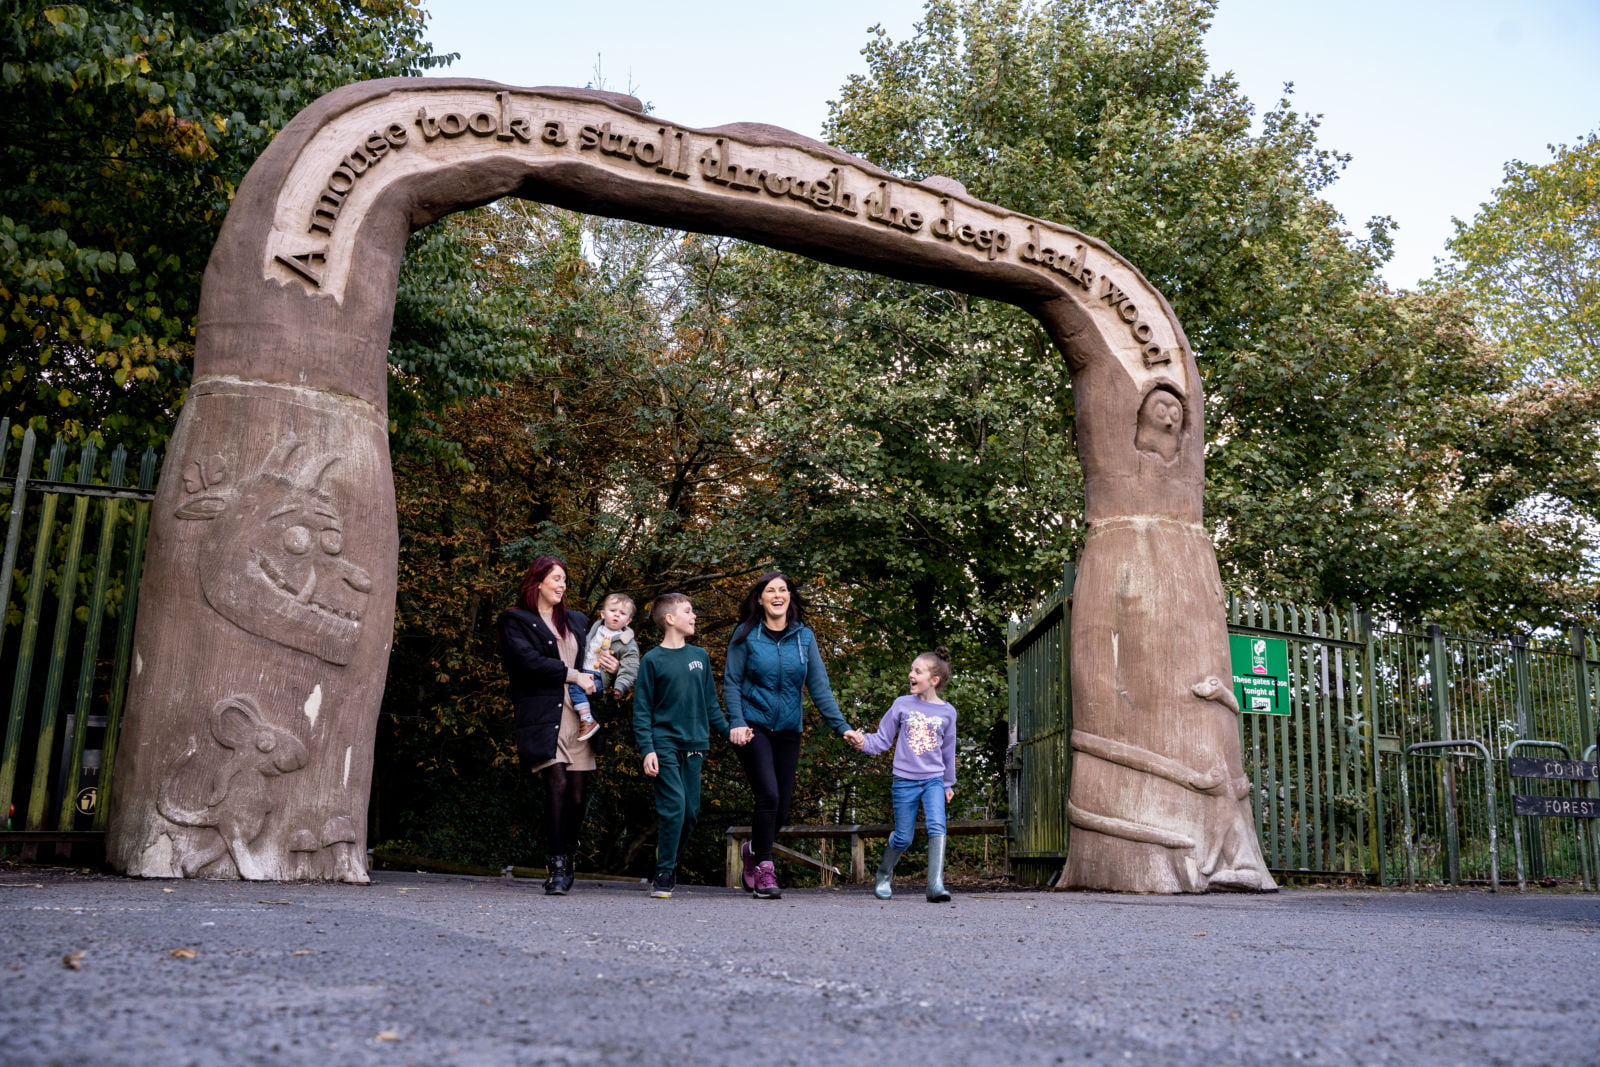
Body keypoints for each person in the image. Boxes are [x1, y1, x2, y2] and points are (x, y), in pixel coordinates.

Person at [723, 571, 865, 899]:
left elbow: (819, 686)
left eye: (782, 590)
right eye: (770, 590)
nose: (777, 595)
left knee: (782, 810)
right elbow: (731, 681)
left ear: (789, 597)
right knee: (768, 796)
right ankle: (765, 870)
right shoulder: (745, 635)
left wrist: (841, 726)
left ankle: (752, 851)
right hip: (753, 727)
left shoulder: (804, 638)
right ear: (759, 599)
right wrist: (737, 722)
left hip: (788, 730)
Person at [496, 556, 618, 895]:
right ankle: (557, 864)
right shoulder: (515, 620)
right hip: (544, 716)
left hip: (579, 716)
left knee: (578, 797)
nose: (562, 585)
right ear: (537, 582)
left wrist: (605, 670)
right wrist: (573, 674)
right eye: (556, 579)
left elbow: (591, 664)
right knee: (557, 784)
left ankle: (569, 851)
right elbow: (526, 663)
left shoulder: (577, 621)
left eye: (565, 579)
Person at [633, 593, 741, 898]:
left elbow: (711, 706)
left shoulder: (700, 656)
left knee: (691, 812)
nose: (694, 616)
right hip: (664, 744)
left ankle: (669, 863)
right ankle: (664, 872)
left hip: (695, 744)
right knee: (675, 808)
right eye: (688, 611)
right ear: (670, 619)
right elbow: (642, 711)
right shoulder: (652, 660)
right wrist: (647, 749)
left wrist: (732, 733)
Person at [851, 648, 958, 902]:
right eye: (911, 670)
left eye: (917, 671)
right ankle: (884, 874)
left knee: (937, 826)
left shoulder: (947, 712)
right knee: (903, 837)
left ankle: (934, 885)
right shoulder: (901, 704)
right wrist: (861, 742)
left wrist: (947, 783)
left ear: (934, 680)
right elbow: (882, 739)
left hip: (933, 779)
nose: (911, 674)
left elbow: (948, 751)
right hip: (904, 780)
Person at [569, 593, 642, 741]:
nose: (616, 615)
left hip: (599, 678)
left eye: (622, 613)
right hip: (583, 671)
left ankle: (588, 720)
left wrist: (620, 686)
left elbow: (630, 668)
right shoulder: (594, 630)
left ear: (628, 620)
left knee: (575, 688)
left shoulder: (627, 643)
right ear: (603, 613)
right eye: (613, 610)